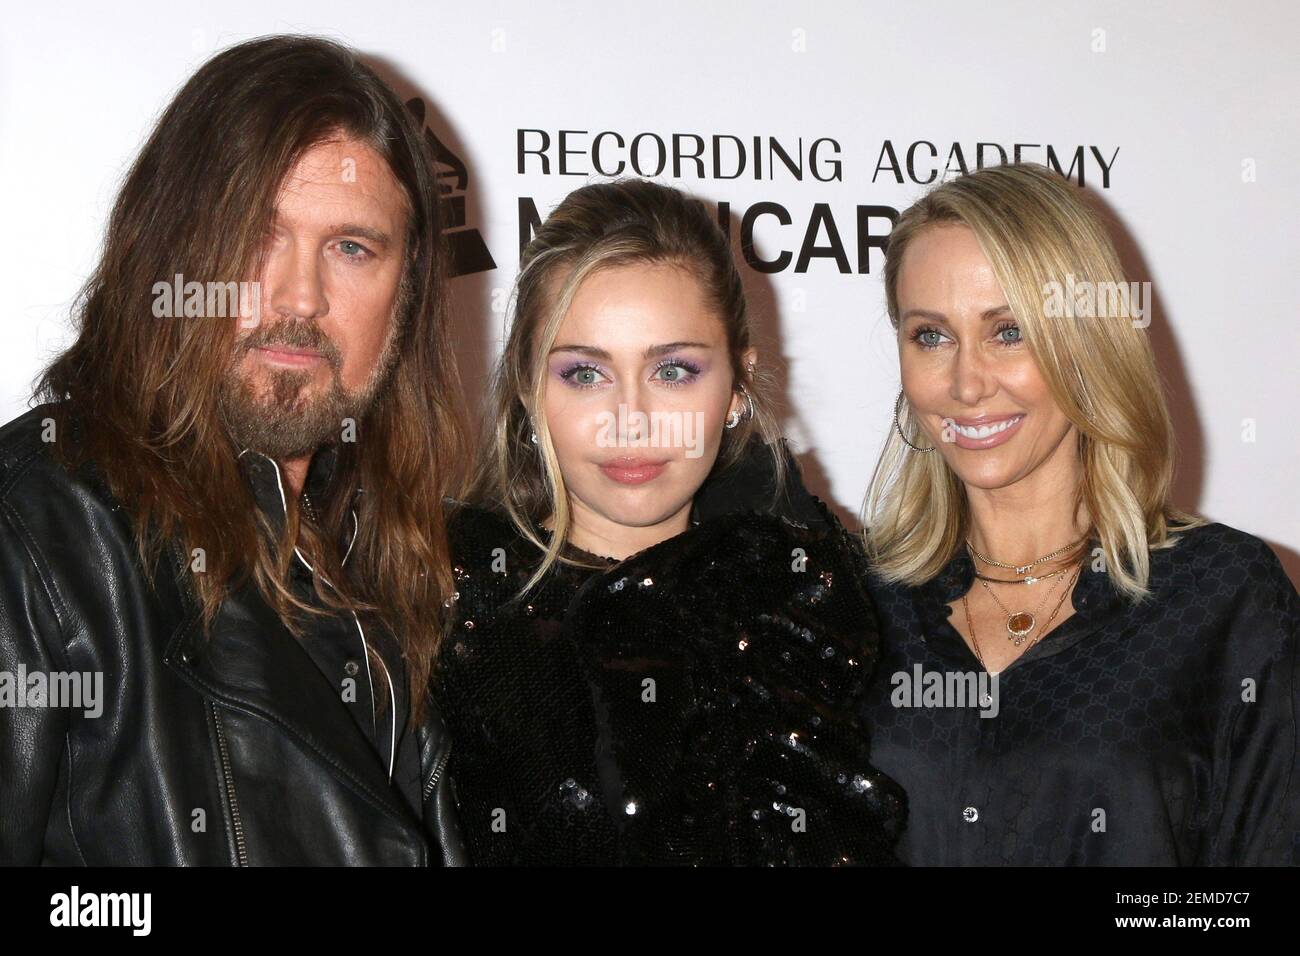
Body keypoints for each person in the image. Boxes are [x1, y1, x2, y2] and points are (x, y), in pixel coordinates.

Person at [0, 35, 467, 865]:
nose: (300, 298)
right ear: (168, 248)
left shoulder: (404, 567)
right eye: (257, 234)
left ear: (408, 288)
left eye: (352, 248)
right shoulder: (31, 533)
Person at [436, 178, 904, 865]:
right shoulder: (437, 600)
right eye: (585, 375)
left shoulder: (825, 606)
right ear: (528, 390)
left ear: (738, 388)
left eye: (675, 371)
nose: (632, 419)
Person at [850, 162, 1298, 864]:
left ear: (1086, 342)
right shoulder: (858, 601)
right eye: (930, 335)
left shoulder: (1222, 595)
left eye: (1010, 331)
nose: (967, 383)